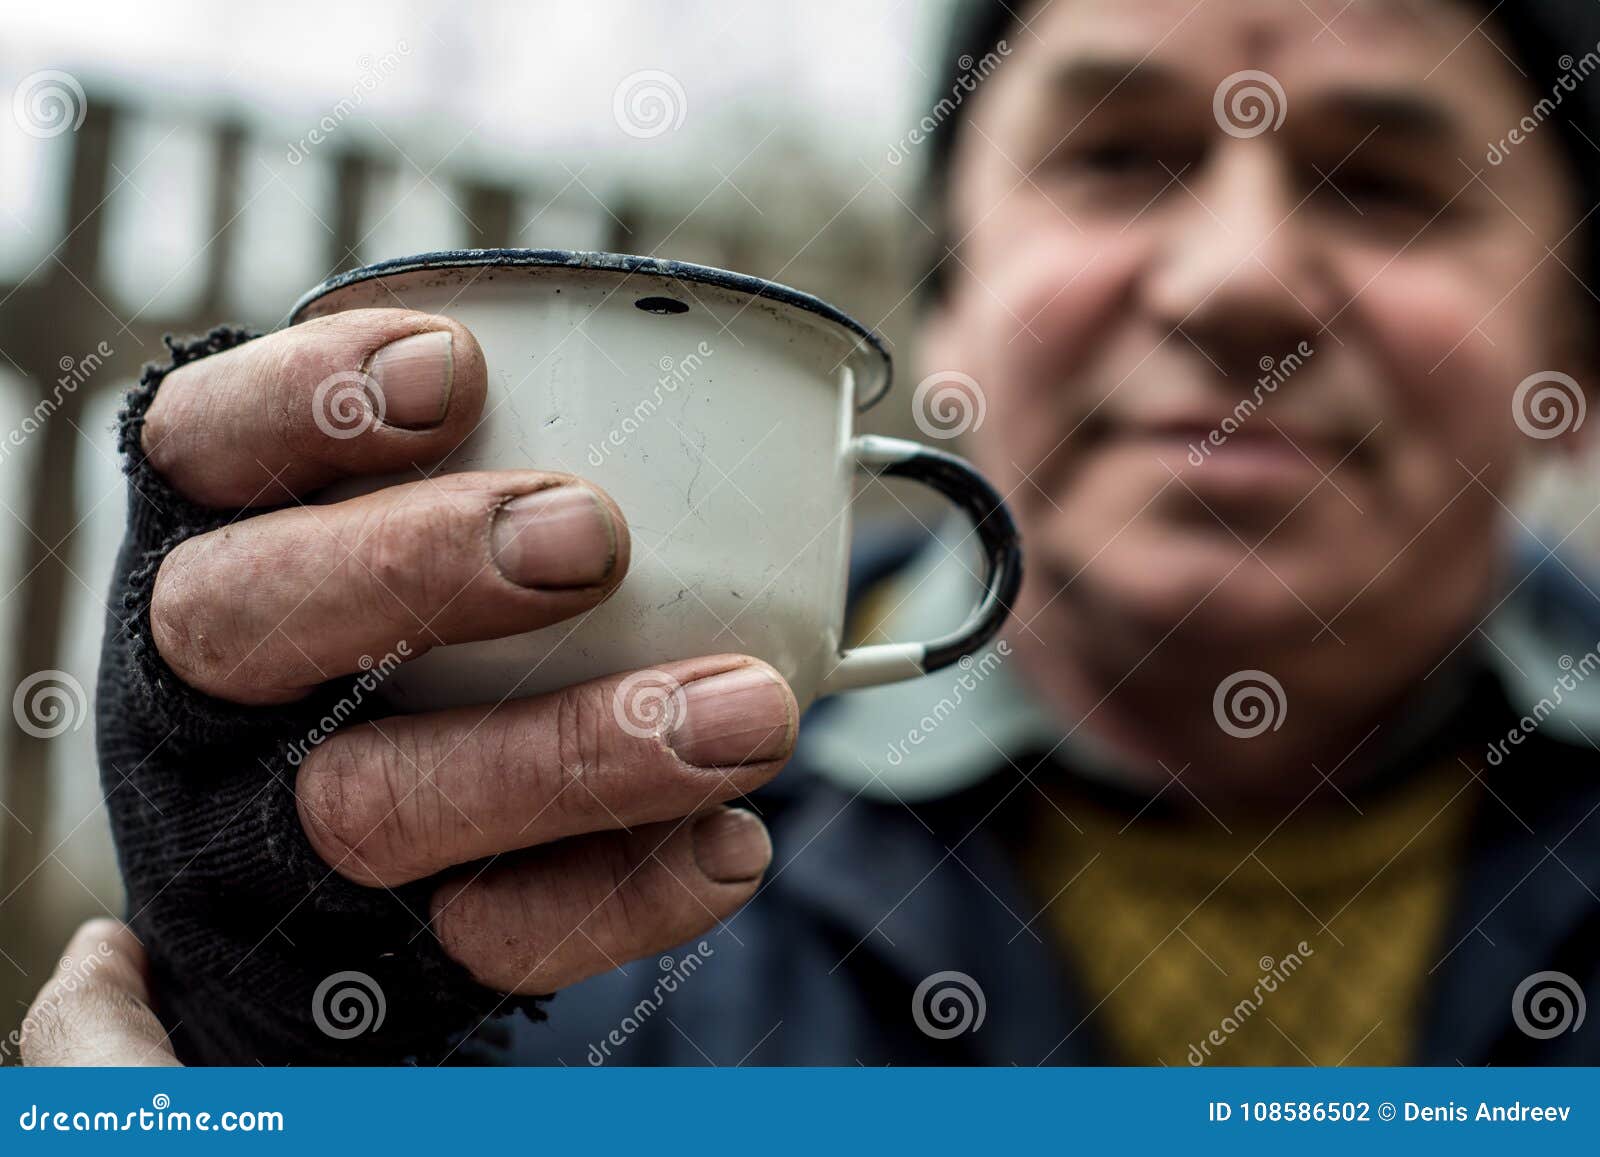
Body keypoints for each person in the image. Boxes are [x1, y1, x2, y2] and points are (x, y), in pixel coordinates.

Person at [23, 0, 1600, 1066]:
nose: (1238, 279)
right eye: (1121, 156)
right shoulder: (552, 879)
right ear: (954, 314)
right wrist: (267, 1052)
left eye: (1384, 182)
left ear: (1571, 352)